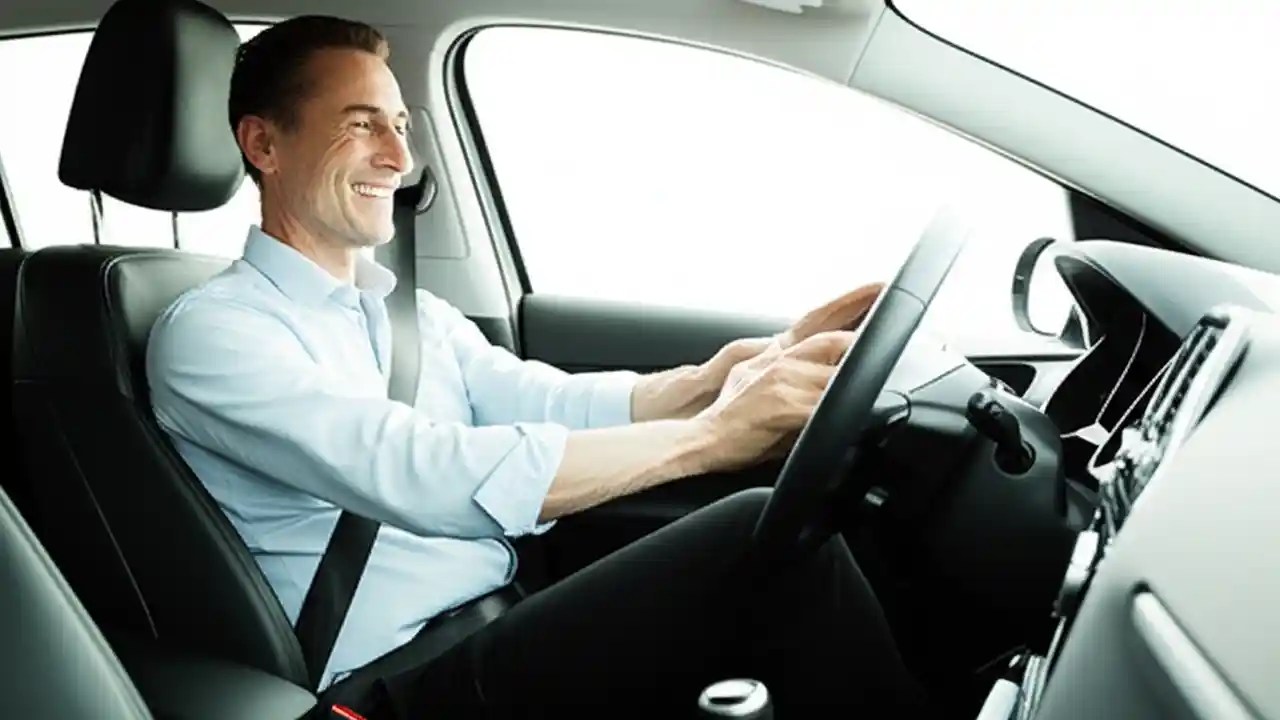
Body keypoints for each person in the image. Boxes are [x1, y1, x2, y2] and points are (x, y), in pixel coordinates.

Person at [145, 14, 929, 718]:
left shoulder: (407, 314)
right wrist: (714, 436)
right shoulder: (216, 334)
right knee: (762, 539)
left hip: (503, 612)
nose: (397, 155)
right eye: (361, 126)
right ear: (264, 144)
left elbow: (542, 400)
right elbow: (423, 474)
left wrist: (714, 379)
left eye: (399, 125)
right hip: (394, 689)